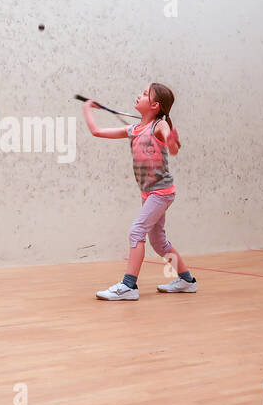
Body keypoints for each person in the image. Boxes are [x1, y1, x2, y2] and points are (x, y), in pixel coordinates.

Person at [82, 83, 198, 300]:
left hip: (161, 193)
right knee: (159, 242)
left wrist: (172, 140)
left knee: (136, 232)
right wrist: (87, 109)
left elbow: (172, 147)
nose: (139, 95)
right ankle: (186, 280)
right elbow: (96, 131)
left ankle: (129, 285)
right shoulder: (133, 130)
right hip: (149, 194)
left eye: (145, 94)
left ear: (154, 105)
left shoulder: (158, 126)